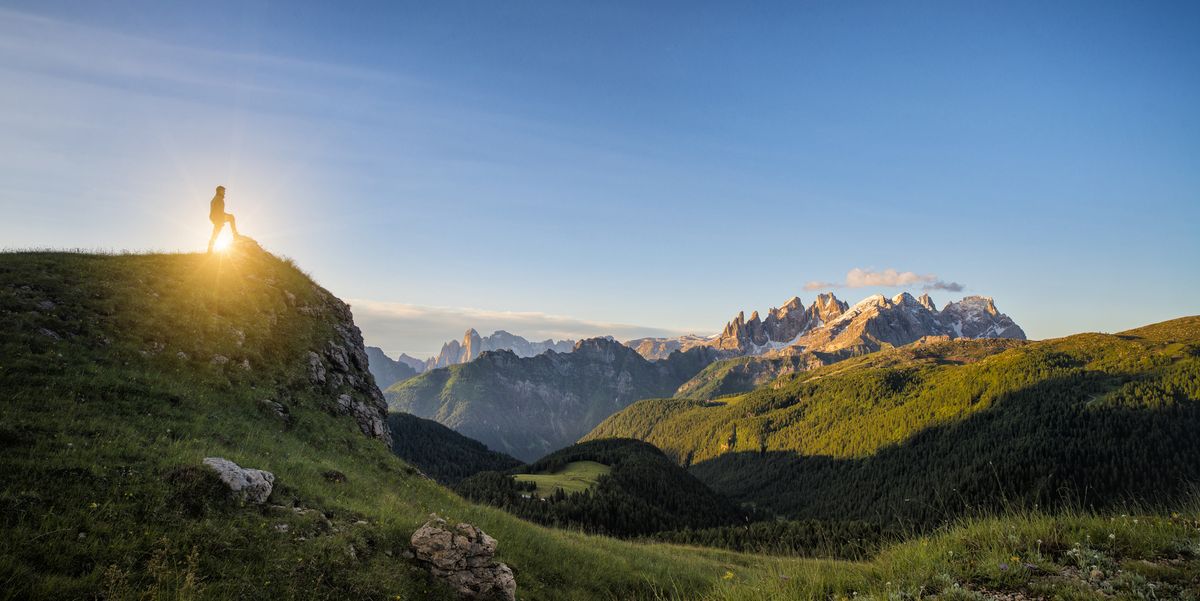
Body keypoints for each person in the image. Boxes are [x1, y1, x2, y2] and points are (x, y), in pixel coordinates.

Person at [206, 185, 239, 253]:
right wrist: (219, 221)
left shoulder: (216, 199)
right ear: (219, 191)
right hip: (218, 218)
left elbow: (214, 212)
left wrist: (216, 220)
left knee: (215, 235)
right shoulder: (218, 199)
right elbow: (218, 211)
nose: (224, 192)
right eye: (223, 191)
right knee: (231, 217)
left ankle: (209, 251)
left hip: (217, 218)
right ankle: (235, 235)